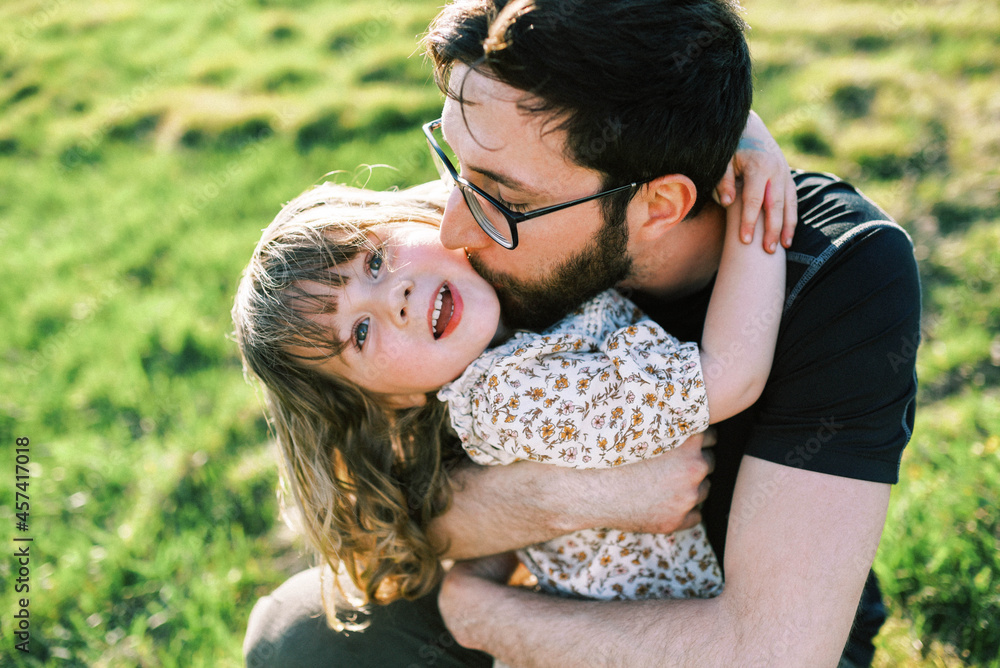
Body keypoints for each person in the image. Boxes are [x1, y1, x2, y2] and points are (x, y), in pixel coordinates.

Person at [244, 0, 920, 666]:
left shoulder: (845, 272)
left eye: (499, 195)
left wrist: (485, 614)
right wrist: (574, 497)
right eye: (454, 164)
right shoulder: (469, 264)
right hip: (569, 595)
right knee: (301, 634)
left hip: (743, 638)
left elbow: (772, 653)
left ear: (660, 203)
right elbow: (374, 515)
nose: (451, 228)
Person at [233, 173, 782, 617]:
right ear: (389, 401)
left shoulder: (518, 286)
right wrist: (759, 209)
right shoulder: (511, 398)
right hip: (656, 630)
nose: (393, 300)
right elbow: (728, 378)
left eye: (374, 261)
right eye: (360, 333)